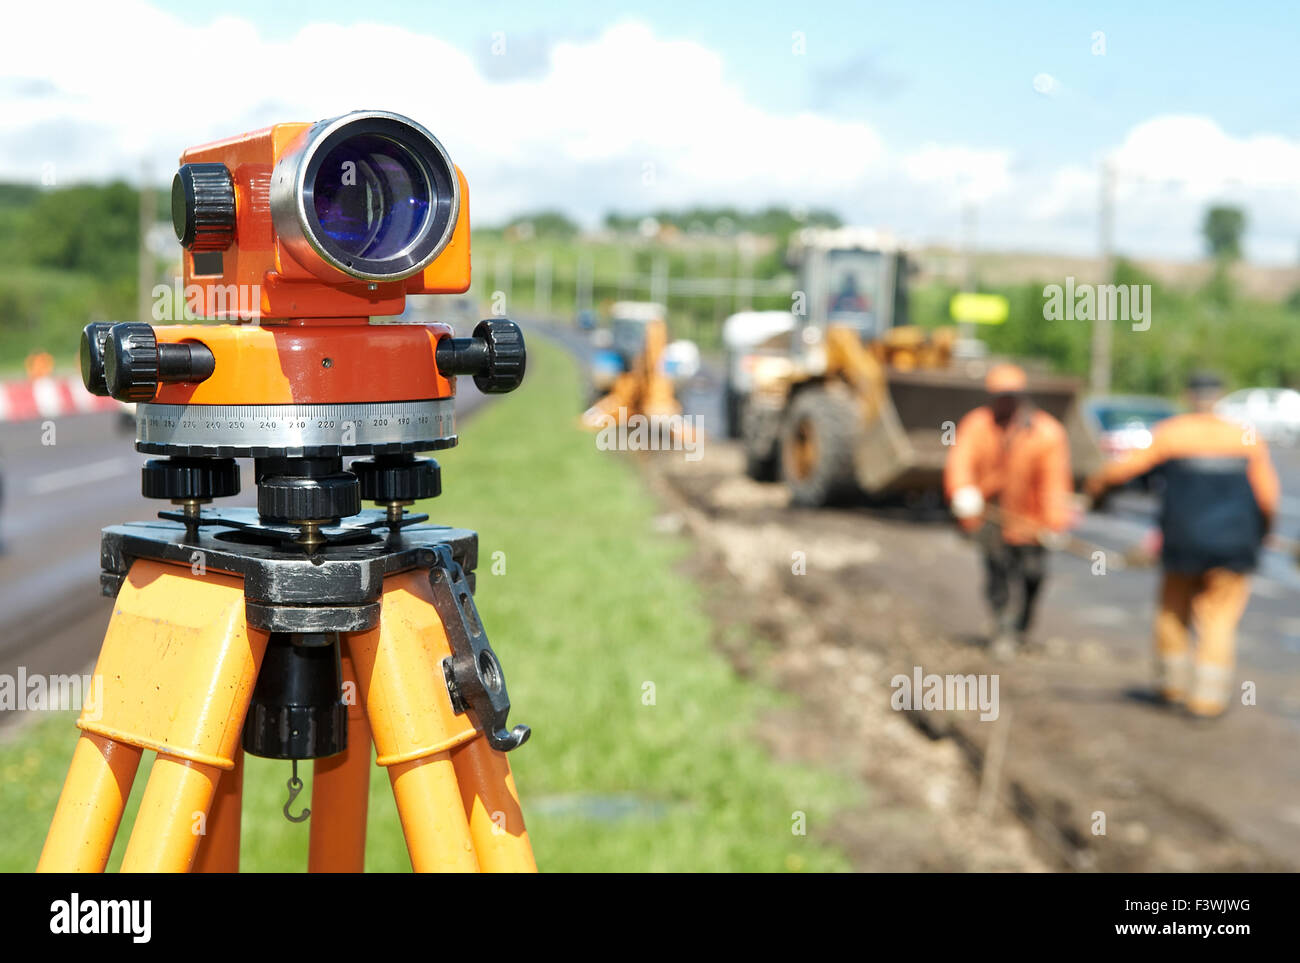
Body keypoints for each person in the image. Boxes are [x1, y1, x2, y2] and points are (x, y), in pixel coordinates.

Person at [1086, 371, 1279, 719]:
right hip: (1235, 545)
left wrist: (1095, 491)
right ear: (1219, 396)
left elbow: (1120, 471)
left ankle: (1172, 686)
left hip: (1181, 543)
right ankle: (1207, 699)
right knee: (1218, 618)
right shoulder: (1245, 437)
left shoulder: (1171, 434)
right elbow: (1267, 498)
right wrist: (1263, 531)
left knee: (1173, 611)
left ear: (1189, 396)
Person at [945, 363, 1074, 660]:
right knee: (997, 570)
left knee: (1033, 574)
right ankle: (1003, 626)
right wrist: (963, 490)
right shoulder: (977, 424)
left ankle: (1022, 626)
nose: (1005, 401)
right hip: (991, 513)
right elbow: (960, 461)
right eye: (999, 396)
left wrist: (1055, 522)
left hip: (1030, 517)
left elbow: (1054, 483)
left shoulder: (1046, 432)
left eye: (1010, 396)